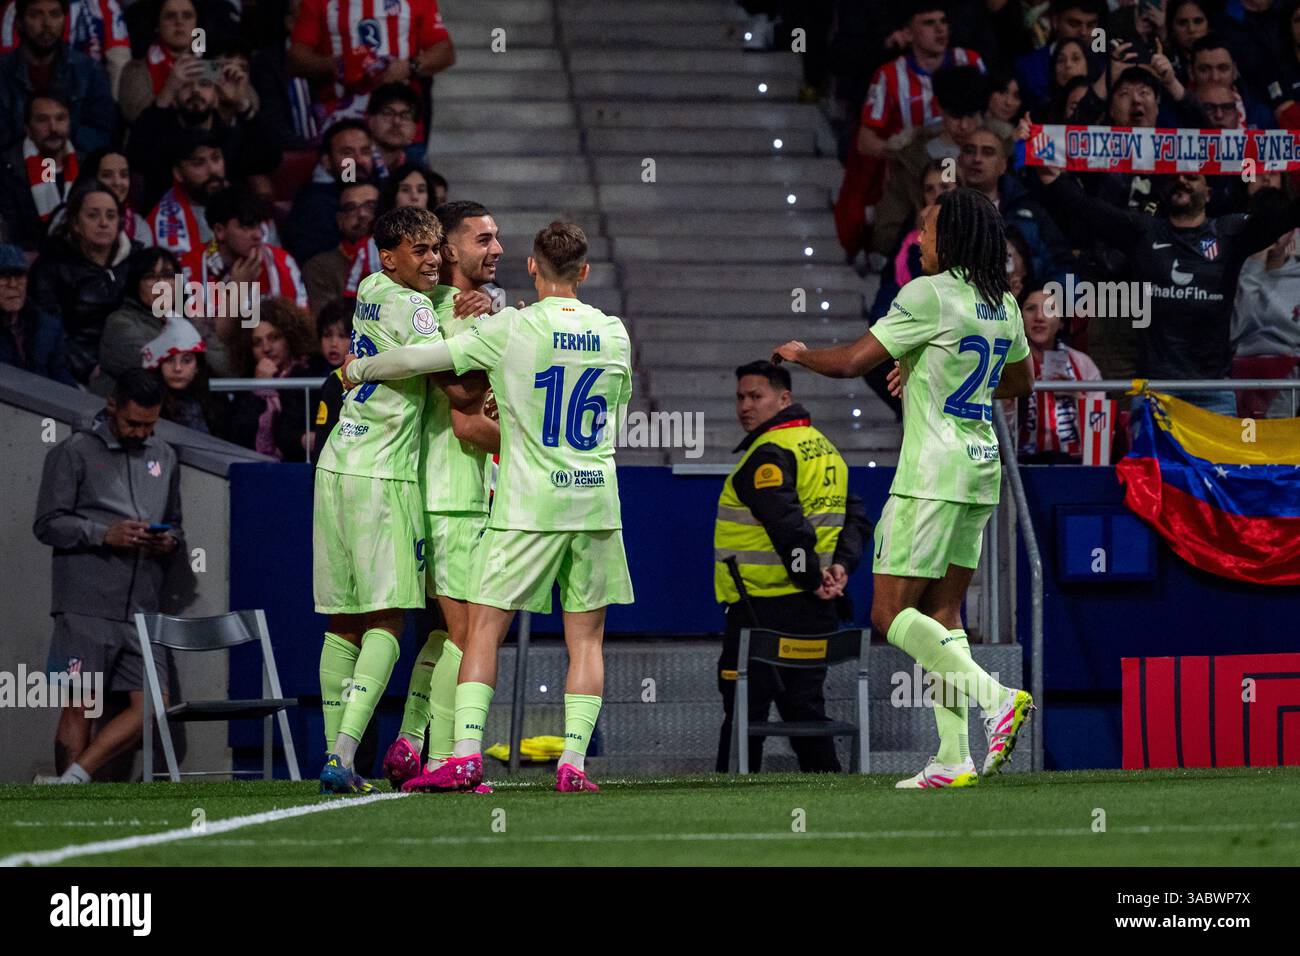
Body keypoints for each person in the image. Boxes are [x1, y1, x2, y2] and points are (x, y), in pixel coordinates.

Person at [343, 220, 635, 794]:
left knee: (481, 629)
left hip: (531, 503)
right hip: (597, 501)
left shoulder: (511, 327)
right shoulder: (615, 332)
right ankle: (573, 765)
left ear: (532, 266)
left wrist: (360, 367)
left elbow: (423, 360)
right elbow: (615, 421)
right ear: (585, 271)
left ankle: (466, 754)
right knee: (587, 639)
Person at [773, 188, 1036, 788]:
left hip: (932, 472)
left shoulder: (928, 294)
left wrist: (800, 354)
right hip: (981, 465)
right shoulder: (1002, 303)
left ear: (956, 237)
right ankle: (951, 757)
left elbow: (851, 362)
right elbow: (1019, 381)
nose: (919, 239)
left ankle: (995, 698)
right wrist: (933, 367)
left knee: (889, 614)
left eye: (928, 228)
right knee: (942, 612)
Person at [361, 199, 502, 790]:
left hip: (438, 489)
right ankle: (448, 759)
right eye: (482, 240)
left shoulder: (450, 306)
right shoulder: (448, 310)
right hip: (453, 491)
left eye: (498, 238)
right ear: (447, 250)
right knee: (471, 635)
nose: (494, 249)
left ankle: (409, 741)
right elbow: (468, 412)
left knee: (447, 634)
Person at [311, 206, 445, 794]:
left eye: (438, 247)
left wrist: (356, 368)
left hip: (336, 462)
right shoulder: (414, 305)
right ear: (391, 257)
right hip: (382, 477)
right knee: (388, 620)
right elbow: (438, 359)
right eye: (421, 251)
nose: (434, 259)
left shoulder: (368, 286)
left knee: (344, 621)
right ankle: (343, 756)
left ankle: (332, 756)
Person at [1036, 165, 1300, 413]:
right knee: (1152, 465)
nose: (1182, 181)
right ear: (1164, 191)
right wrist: (1052, 177)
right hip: (1156, 391)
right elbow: (1086, 209)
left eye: (1191, 177)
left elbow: (1287, 217)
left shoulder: (1229, 233)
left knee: (1214, 465)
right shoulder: (1144, 232)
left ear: (1208, 194)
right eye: (1174, 178)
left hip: (1213, 392)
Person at [713, 360, 871, 773]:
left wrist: (811, 578)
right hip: (815, 613)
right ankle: (832, 807)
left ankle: (731, 807)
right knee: (806, 715)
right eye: (740, 397)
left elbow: (789, 528)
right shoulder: (824, 447)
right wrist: (840, 567)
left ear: (784, 399)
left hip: (761, 609)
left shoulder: (768, 455)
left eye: (755, 396)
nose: (745, 406)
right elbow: (856, 517)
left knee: (743, 717)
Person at [32, 367, 184, 784]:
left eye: (150, 425)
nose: (141, 432)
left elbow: (176, 525)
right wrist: (105, 534)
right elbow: (47, 523)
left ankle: (73, 779)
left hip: (142, 608)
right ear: (112, 406)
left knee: (153, 703)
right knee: (81, 704)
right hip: (84, 604)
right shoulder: (72, 452)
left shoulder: (165, 455)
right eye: (134, 423)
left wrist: (166, 542)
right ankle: (68, 806)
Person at [29, 181, 134, 385]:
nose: (103, 223)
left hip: (133, 363)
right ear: (76, 224)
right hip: (78, 373)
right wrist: (87, 367)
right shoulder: (52, 266)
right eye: (93, 215)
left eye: (111, 216)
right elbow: (49, 329)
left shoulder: (138, 259)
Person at [287, 0, 454, 122]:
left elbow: (445, 52)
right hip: (343, 125)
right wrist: (337, 65)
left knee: (409, 171)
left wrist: (410, 66)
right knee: (349, 169)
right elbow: (296, 60)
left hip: (401, 127)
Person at [0, 0, 115, 152]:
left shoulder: (89, 71)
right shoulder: (3, 72)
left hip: (76, 168)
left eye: (55, 14)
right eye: (36, 15)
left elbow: (103, 135)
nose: (47, 23)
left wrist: (58, 148)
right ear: (19, 23)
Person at [1015, 285, 1103, 463]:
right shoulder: (1008, 365)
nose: (1039, 317)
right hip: (1020, 465)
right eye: (1031, 309)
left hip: (1074, 466)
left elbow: (1100, 430)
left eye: (1049, 309)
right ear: (1017, 317)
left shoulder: (1083, 364)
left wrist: (1076, 395)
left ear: (1062, 321)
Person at [189, 185, 307, 310]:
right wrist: (238, 289)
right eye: (247, 226)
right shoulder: (188, 267)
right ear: (219, 231)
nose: (258, 235)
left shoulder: (283, 262)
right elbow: (195, 328)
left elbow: (300, 322)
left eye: (258, 226)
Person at [227, 296, 313, 460]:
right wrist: (260, 389)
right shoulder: (245, 383)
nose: (266, 348)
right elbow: (238, 438)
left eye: (274, 338)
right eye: (257, 343)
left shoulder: (310, 372)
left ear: (289, 337)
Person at [343, 163, 443, 295]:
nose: (414, 196)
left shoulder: (446, 239)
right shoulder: (367, 247)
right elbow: (353, 298)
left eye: (421, 190)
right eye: (405, 190)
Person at [285, 118, 375, 264]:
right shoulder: (313, 206)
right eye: (348, 153)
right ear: (327, 161)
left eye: (365, 152)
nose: (359, 161)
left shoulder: (381, 188)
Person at [146, 128, 229, 264]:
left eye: (216, 158)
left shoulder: (245, 202)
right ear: (178, 173)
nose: (213, 169)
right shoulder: (161, 221)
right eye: (198, 163)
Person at [0, 240, 74, 383]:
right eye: (4, 277)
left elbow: (62, 377)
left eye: (19, 276)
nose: (13, 284)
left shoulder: (48, 327)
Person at [303, 180, 378, 315]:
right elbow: (328, 325)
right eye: (351, 208)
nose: (362, 214)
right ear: (340, 220)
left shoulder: (404, 258)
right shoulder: (320, 267)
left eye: (371, 206)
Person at [140, 315, 218, 433]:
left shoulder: (215, 401)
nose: (177, 368)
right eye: (169, 360)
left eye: (186, 361)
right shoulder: (145, 402)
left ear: (198, 366)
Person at [365, 82, 426, 179]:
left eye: (405, 116)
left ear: (414, 130)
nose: (396, 122)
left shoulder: (420, 170)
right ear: (370, 120)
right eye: (388, 113)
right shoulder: (351, 161)